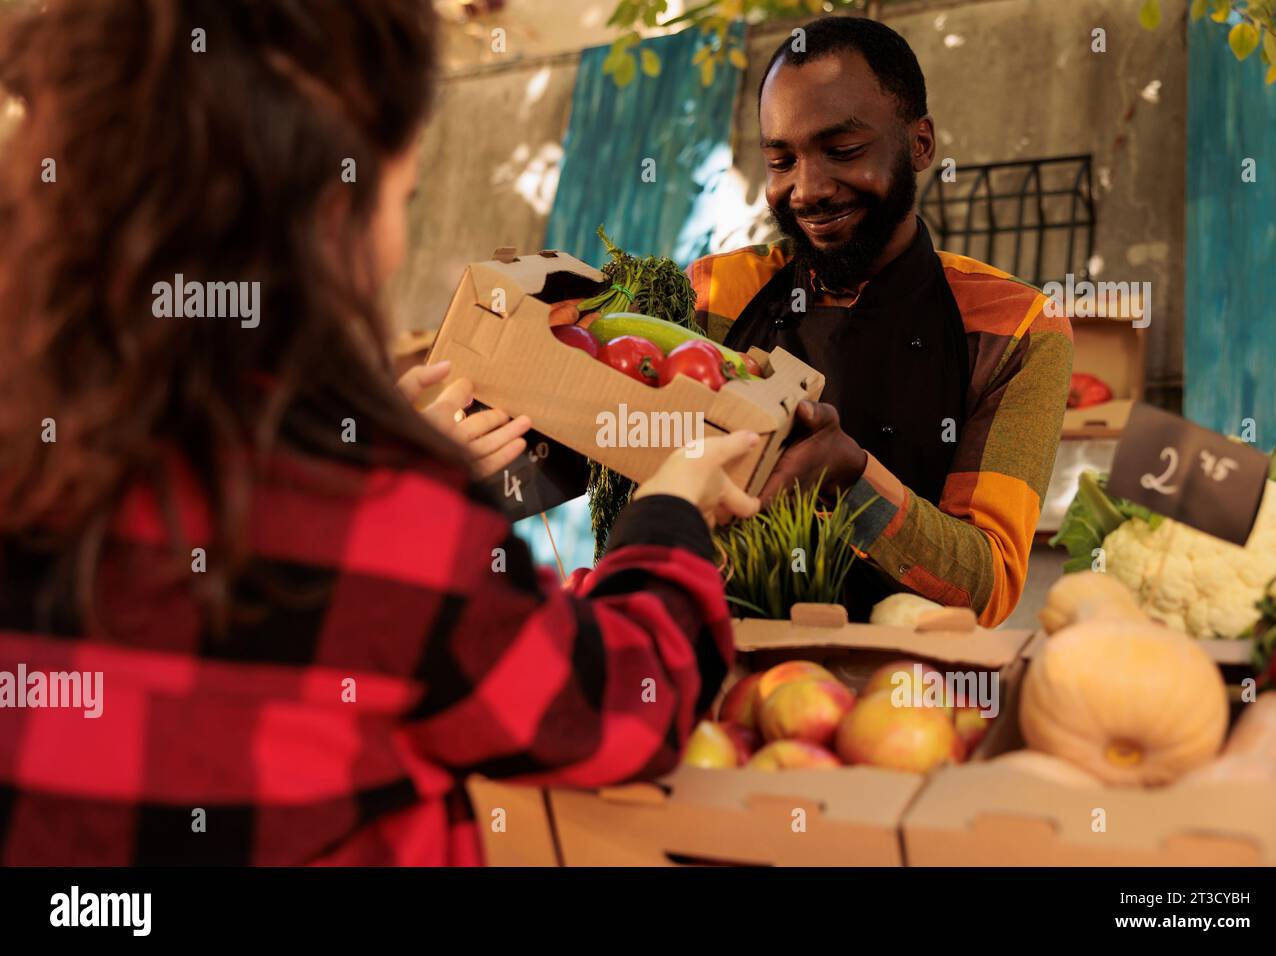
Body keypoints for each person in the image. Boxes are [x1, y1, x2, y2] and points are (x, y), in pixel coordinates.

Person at [0, 0, 757, 865]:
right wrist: (670, 507)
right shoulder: (386, 526)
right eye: (402, 197)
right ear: (329, 218)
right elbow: (616, 709)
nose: (396, 243)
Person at [687, 16, 1073, 626]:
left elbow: (989, 584)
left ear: (920, 145)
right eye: (781, 160)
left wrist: (854, 477)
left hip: (904, 694)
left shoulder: (1015, 326)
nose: (806, 189)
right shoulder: (716, 294)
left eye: (841, 151)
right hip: (716, 668)